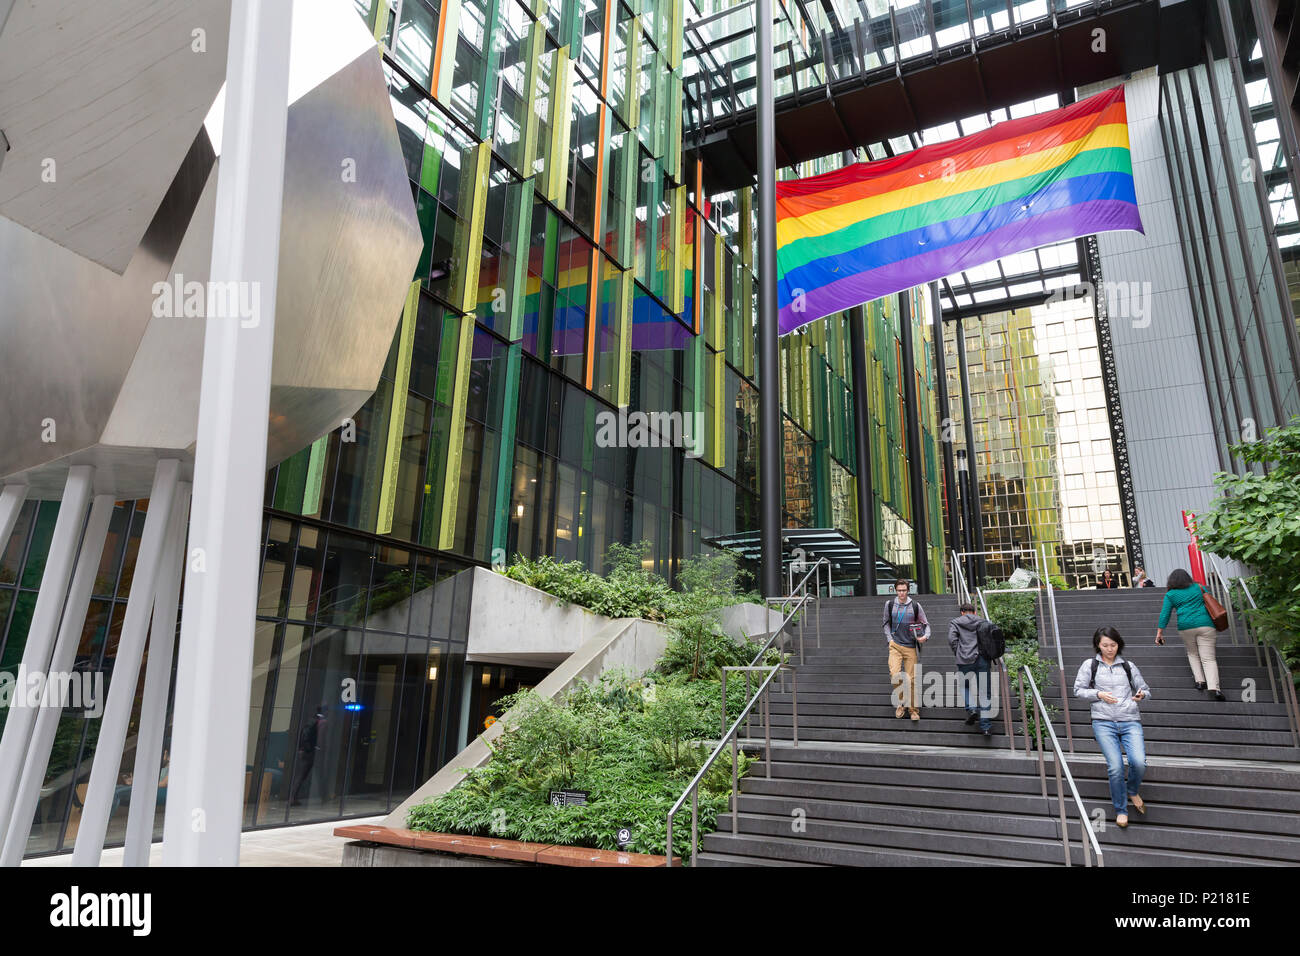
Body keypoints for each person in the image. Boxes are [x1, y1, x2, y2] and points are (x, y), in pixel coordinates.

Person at [1073, 626, 1151, 828]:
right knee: (1115, 766)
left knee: (1139, 762)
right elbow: (1078, 690)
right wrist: (1098, 694)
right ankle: (1121, 809)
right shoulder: (1090, 665)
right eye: (1105, 645)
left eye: (1113, 645)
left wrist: (1141, 695)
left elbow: (1145, 689)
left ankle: (1132, 790)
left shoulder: (1128, 666)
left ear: (1119, 644)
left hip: (1129, 719)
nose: (1110, 649)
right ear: (1098, 646)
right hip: (1103, 721)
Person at [1156, 568, 1224, 701]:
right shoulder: (1199, 587)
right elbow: (1210, 601)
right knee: (1208, 658)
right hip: (1205, 624)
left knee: (1193, 653)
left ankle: (1199, 682)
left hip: (1185, 626)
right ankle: (1215, 688)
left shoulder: (1171, 594)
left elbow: (1165, 614)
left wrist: (1160, 632)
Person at [882, 578, 930, 721]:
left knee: (912, 680)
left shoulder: (915, 605)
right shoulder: (889, 604)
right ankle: (902, 701)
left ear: (908, 590)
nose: (901, 593)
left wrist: (925, 637)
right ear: (895, 590)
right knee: (894, 674)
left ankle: (913, 710)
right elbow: (885, 623)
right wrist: (889, 639)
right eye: (899, 591)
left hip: (910, 646)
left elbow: (926, 624)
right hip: (895, 645)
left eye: (904, 590)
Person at [948, 602, 993, 736]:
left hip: (964, 660)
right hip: (982, 659)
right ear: (973, 612)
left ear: (962, 612)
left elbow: (951, 639)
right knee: (985, 692)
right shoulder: (983, 621)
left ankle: (972, 708)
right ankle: (985, 727)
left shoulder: (955, 622)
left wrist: (959, 652)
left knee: (964, 686)